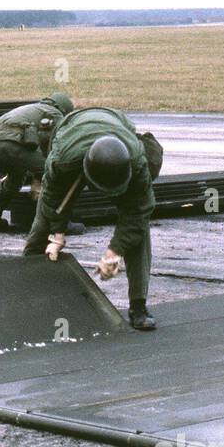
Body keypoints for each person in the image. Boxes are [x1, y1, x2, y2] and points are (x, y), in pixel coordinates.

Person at [23, 107, 158, 330]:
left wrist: (115, 251)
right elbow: (51, 198)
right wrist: (56, 234)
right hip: (71, 130)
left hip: (117, 124)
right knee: (42, 224)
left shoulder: (136, 160)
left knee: (139, 229)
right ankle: (26, 285)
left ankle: (138, 306)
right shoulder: (63, 160)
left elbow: (138, 212)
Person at [0, 92, 74, 232]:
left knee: (14, 181)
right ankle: (59, 224)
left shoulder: (33, 108)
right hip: (11, 143)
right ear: (64, 109)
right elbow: (59, 144)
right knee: (54, 172)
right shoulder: (55, 113)